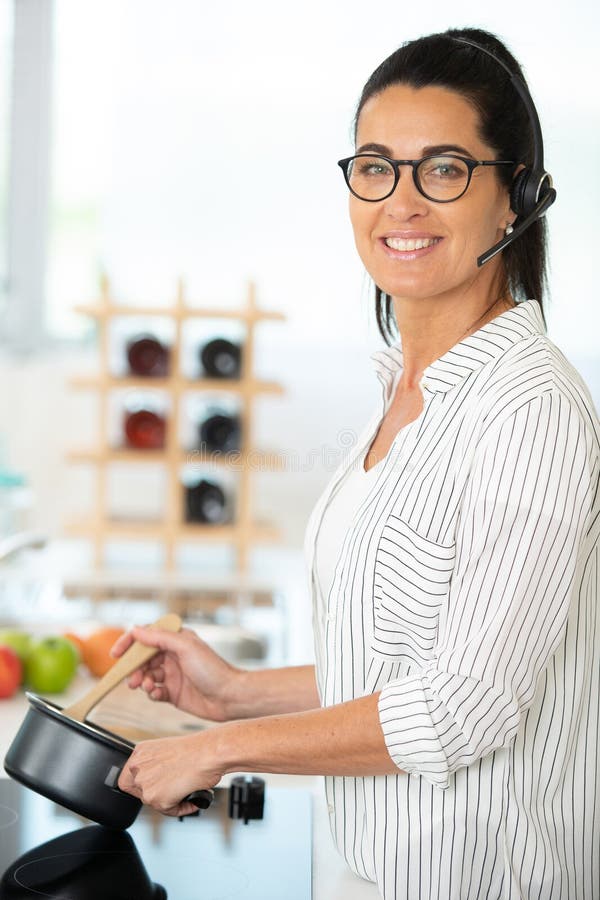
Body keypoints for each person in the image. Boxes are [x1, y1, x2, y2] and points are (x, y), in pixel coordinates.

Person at [112, 27, 599, 900]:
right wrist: (235, 694)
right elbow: (406, 666)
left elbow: (461, 707)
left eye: (444, 169)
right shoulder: (407, 393)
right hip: (364, 871)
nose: (400, 203)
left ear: (516, 197)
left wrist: (218, 748)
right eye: (376, 168)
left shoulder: (530, 413)